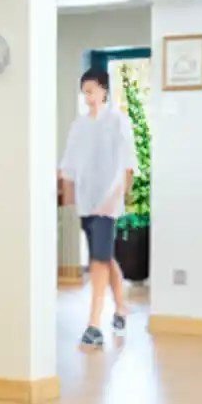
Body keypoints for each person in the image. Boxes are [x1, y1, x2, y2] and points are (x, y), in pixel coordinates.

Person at [59, 68, 137, 347]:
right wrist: (66, 197)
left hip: (108, 201)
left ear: (104, 90)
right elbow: (68, 162)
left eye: (92, 91)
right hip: (86, 200)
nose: (88, 96)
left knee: (97, 261)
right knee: (103, 256)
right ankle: (121, 308)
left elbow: (128, 163)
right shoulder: (79, 125)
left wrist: (117, 196)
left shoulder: (118, 121)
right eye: (85, 92)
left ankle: (94, 324)